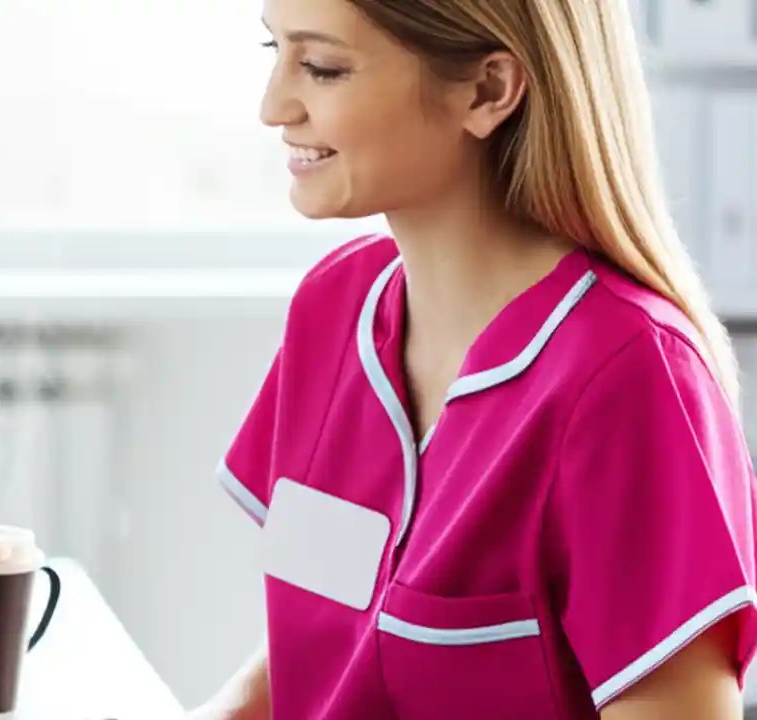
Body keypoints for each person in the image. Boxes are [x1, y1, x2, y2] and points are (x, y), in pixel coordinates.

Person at [193, 0, 757, 718]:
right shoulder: (333, 310)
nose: (274, 106)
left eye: (323, 68)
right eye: (274, 52)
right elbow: (319, 648)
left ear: (488, 91)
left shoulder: (631, 377)